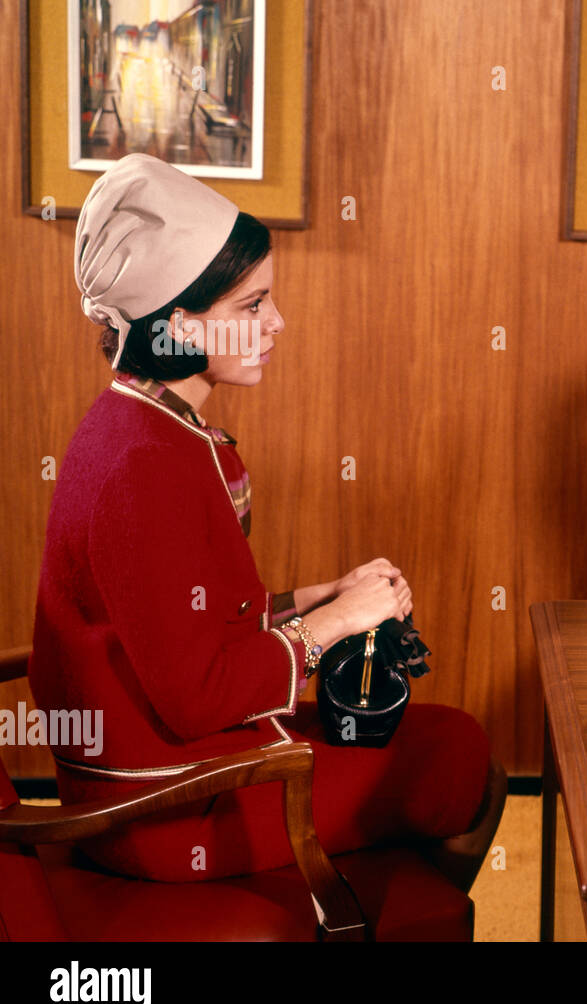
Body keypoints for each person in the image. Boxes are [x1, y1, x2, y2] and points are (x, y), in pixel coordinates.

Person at [28, 153, 506, 891]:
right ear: (181, 325)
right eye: (252, 306)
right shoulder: (144, 466)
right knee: (462, 753)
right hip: (166, 807)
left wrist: (324, 594)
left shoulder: (140, 423)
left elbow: (189, 624)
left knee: (437, 742)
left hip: (170, 766)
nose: (276, 323)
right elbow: (197, 696)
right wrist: (339, 624)